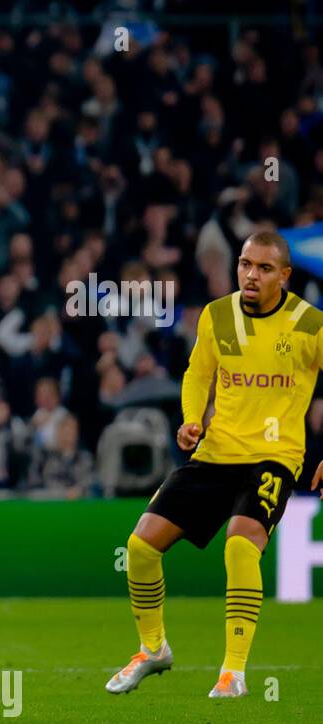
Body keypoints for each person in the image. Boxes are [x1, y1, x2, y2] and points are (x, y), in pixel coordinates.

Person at [109, 233, 323, 699]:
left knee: (241, 544)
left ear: (285, 276)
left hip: (274, 456)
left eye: (264, 268)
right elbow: (198, 374)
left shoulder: (309, 325)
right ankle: (152, 649)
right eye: (245, 264)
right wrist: (190, 420)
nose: (251, 274)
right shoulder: (217, 315)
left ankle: (233, 672)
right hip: (216, 453)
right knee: (141, 547)